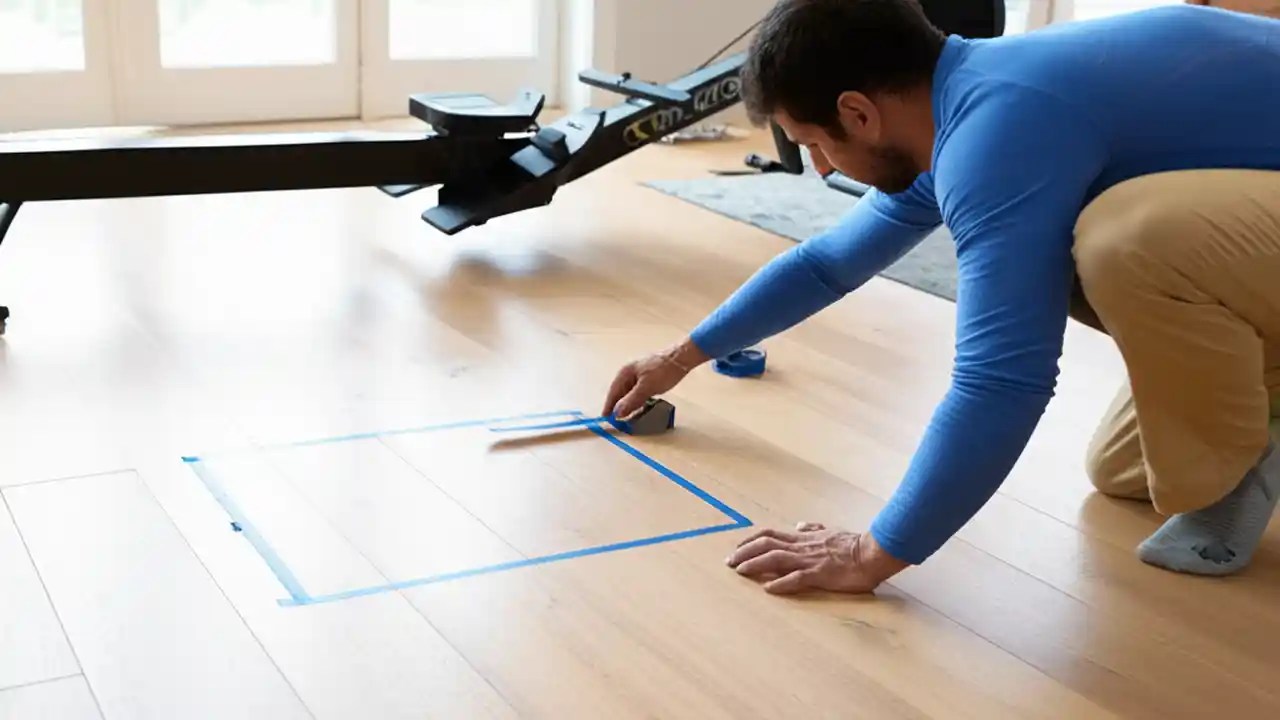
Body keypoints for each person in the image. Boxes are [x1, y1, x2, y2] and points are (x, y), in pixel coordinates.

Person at [602, 0, 1280, 596]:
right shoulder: (966, 102)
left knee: (1122, 240)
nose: (822, 169)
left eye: (814, 145)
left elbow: (1003, 378)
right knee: (1125, 473)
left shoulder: (1002, 130)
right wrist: (681, 356)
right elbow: (827, 264)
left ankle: (1240, 468)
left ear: (857, 113)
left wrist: (877, 552)